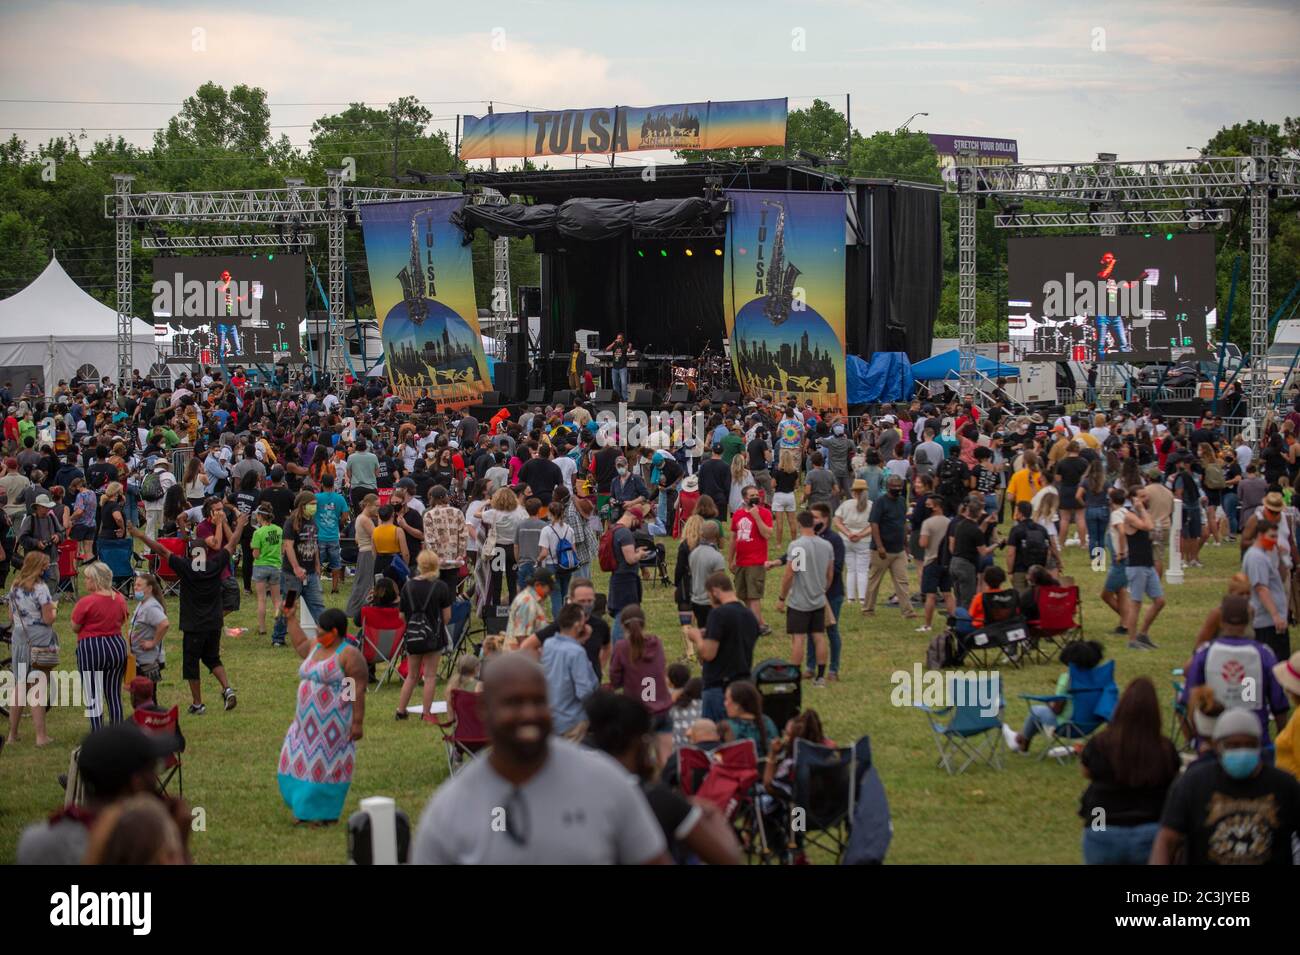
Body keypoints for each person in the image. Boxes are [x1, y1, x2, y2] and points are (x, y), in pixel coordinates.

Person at [413, 653, 668, 864]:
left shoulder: (605, 783)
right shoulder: (449, 810)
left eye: (539, 701)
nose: (528, 713)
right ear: (484, 710)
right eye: (513, 703)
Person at [584, 690, 742, 865]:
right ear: (640, 742)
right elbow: (727, 859)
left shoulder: (578, 796)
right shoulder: (657, 800)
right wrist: (716, 817)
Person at [16, 722, 184, 864]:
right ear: (137, 784)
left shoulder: (34, 842)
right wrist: (180, 843)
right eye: (154, 769)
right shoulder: (145, 845)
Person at [1150, 708, 1300, 864]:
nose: (1242, 751)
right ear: (1217, 746)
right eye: (1233, 745)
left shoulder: (1284, 786)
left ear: (1259, 745)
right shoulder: (1192, 784)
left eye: (1249, 745)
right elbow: (1167, 841)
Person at [129, 519, 243, 715]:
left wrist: (140, 535)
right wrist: (240, 524)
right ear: (206, 553)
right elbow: (231, 545)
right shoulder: (215, 564)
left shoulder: (186, 566)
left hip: (194, 625)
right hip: (214, 622)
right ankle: (227, 688)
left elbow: (162, 551)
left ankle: (198, 704)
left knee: (191, 665)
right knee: (212, 657)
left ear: (190, 553)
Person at [278, 607, 367, 826]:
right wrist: (290, 618)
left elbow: (354, 691)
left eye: (320, 632)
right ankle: (304, 808)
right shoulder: (316, 646)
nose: (316, 635)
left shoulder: (348, 655)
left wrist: (356, 722)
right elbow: (300, 645)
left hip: (332, 725)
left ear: (335, 632)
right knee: (292, 762)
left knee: (323, 769)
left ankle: (321, 813)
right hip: (303, 726)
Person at [1077, 676, 1181, 864]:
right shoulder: (1164, 748)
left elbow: (1086, 771)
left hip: (1102, 822)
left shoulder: (1100, 742)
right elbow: (1174, 780)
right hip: (1149, 826)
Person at [1182, 594, 1290, 743]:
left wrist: (1199, 740)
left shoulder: (1204, 654)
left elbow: (1189, 701)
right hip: (1255, 740)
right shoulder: (1264, 654)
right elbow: (1279, 705)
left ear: (1220, 621)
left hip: (1214, 742)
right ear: (1248, 621)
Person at [1003, 640, 1107, 754]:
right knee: (1040, 713)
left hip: (1067, 726)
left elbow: (1057, 710)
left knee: (1036, 711)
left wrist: (1049, 703)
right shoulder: (1102, 679)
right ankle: (1020, 740)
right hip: (1092, 724)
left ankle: (1020, 742)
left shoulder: (1068, 679)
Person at [684, 571, 759, 722]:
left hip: (719, 688)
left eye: (709, 595)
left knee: (715, 738)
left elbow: (708, 654)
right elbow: (734, 638)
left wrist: (697, 637)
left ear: (716, 591)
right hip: (743, 685)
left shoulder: (718, 614)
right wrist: (710, 632)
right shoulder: (749, 615)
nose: (710, 601)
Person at [607, 604, 674, 763]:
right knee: (666, 760)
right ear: (644, 623)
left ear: (622, 625)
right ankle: (669, 785)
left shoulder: (622, 647)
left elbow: (615, 679)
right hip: (662, 708)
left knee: (637, 761)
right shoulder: (656, 643)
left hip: (638, 711)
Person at [5, 551, 58, 747]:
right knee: (37, 685)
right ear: (38, 568)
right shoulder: (41, 588)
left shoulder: (14, 586)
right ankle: (41, 736)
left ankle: (12, 735)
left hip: (20, 637)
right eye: (44, 566)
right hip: (40, 638)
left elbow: (11, 616)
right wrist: (54, 610)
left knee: (19, 685)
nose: (46, 569)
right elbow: (48, 618)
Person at [776, 511, 834, 686]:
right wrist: (822, 589)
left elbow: (789, 574)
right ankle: (821, 676)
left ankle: (793, 677)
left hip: (799, 600)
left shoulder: (797, 546)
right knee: (819, 636)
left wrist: (781, 597)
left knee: (798, 639)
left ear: (800, 524)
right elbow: (829, 574)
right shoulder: (826, 545)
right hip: (818, 598)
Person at [70, 561, 130, 729]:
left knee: (93, 695)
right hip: (116, 646)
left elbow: (75, 627)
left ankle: (98, 734)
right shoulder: (119, 599)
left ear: (96, 580)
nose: (85, 581)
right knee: (113, 694)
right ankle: (118, 733)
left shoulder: (86, 602)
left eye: (87, 578)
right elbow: (124, 618)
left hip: (92, 648)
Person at [395, 549, 453, 721]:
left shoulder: (408, 586)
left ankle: (401, 710)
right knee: (429, 675)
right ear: (436, 565)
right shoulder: (441, 587)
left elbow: (402, 616)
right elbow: (447, 617)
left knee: (412, 675)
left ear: (419, 565)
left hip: (413, 634)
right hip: (434, 634)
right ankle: (426, 713)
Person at [271, 492, 325, 648]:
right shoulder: (291, 523)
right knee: (288, 605)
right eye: (312, 504)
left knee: (317, 605)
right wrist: (296, 567)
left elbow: (314, 544)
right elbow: (288, 546)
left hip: (310, 574)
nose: (314, 507)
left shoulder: (313, 522)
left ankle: (327, 636)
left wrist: (317, 563)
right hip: (292, 576)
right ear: (303, 505)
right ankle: (278, 637)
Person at [540, 602, 598, 740]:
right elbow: (584, 691)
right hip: (572, 721)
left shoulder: (548, 644)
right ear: (578, 625)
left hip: (551, 717)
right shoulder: (577, 653)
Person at [863, 475, 913, 619]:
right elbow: (874, 523)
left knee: (902, 582)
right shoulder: (880, 502)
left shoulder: (902, 501)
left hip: (898, 550)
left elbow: (903, 522)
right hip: (881, 550)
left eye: (899, 487)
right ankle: (868, 609)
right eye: (894, 487)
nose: (897, 489)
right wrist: (879, 546)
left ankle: (908, 611)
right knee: (874, 581)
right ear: (888, 487)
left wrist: (906, 544)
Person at [1119, 485, 1163, 651]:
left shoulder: (1144, 514)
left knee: (1159, 601)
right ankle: (1132, 640)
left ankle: (1143, 634)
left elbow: (1151, 531)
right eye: (1142, 496)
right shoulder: (1129, 516)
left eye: (1146, 496)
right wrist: (1141, 509)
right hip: (1136, 565)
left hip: (1148, 563)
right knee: (1136, 603)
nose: (1147, 499)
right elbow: (1148, 527)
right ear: (1133, 499)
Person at [1243, 518, 1291, 662]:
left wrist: (1282, 559)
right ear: (1259, 535)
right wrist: (1275, 615)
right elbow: (1261, 588)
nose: (1275, 541)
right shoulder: (1256, 557)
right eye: (1271, 536)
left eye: (1276, 537)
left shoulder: (1266, 556)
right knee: (1271, 665)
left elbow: (1281, 579)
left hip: (1275, 621)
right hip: (1266, 622)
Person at [730, 483, 773, 634]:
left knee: (754, 595)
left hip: (756, 561)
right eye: (752, 496)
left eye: (757, 495)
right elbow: (734, 537)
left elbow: (767, 534)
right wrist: (731, 559)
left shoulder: (765, 513)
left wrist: (756, 517)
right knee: (744, 595)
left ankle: (757, 627)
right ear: (744, 498)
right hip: (741, 560)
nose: (756, 498)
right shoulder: (737, 514)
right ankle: (758, 622)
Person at [835, 477, 875, 610]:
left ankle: (851, 598)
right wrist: (860, 534)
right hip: (864, 541)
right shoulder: (870, 505)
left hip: (846, 540)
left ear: (853, 492)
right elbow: (873, 525)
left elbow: (837, 521)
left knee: (851, 569)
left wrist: (847, 533)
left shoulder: (846, 505)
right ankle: (863, 598)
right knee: (863, 570)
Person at [916, 492, 953, 633]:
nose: (926, 508)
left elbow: (923, 543)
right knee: (948, 593)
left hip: (931, 561)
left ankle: (927, 624)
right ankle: (952, 623)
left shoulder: (927, 523)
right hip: (946, 561)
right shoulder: (949, 522)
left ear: (936, 507)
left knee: (930, 595)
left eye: (928, 505)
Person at [128, 572, 169, 686]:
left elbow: (164, 624)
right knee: (139, 695)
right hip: (139, 659)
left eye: (139, 585)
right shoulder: (142, 603)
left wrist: (153, 642)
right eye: (135, 584)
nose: (135, 587)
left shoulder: (151, 606)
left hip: (147, 661)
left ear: (150, 588)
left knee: (147, 697)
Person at [314, 473, 350, 594]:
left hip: (320, 537)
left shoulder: (316, 498)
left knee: (318, 563)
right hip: (334, 536)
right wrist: (339, 524)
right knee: (335, 564)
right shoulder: (339, 498)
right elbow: (345, 516)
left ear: (322, 484)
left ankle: (318, 588)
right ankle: (334, 589)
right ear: (333, 484)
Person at [249, 504, 282, 636]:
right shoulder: (279, 530)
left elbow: (256, 554)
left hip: (261, 566)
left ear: (260, 516)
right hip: (275, 566)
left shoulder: (258, 532)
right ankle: (279, 623)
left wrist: (253, 553)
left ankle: (262, 628)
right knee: (276, 599)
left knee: (262, 599)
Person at [720, 680, 779, 751]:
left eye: (726, 699)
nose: (724, 704)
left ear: (737, 705)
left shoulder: (727, 726)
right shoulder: (767, 722)